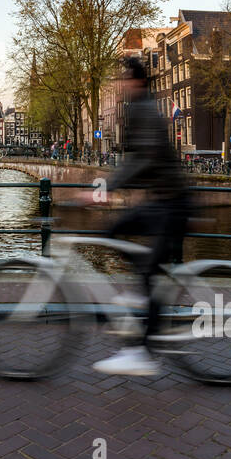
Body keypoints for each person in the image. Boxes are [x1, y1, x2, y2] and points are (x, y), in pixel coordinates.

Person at [92, 55, 192, 377]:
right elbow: (136, 160)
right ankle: (142, 284)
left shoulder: (146, 110)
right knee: (114, 229)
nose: (119, 85)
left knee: (150, 272)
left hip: (173, 204)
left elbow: (143, 161)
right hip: (160, 201)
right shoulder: (138, 109)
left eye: (123, 79)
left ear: (136, 82)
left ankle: (142, 354)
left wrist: (104, 189)